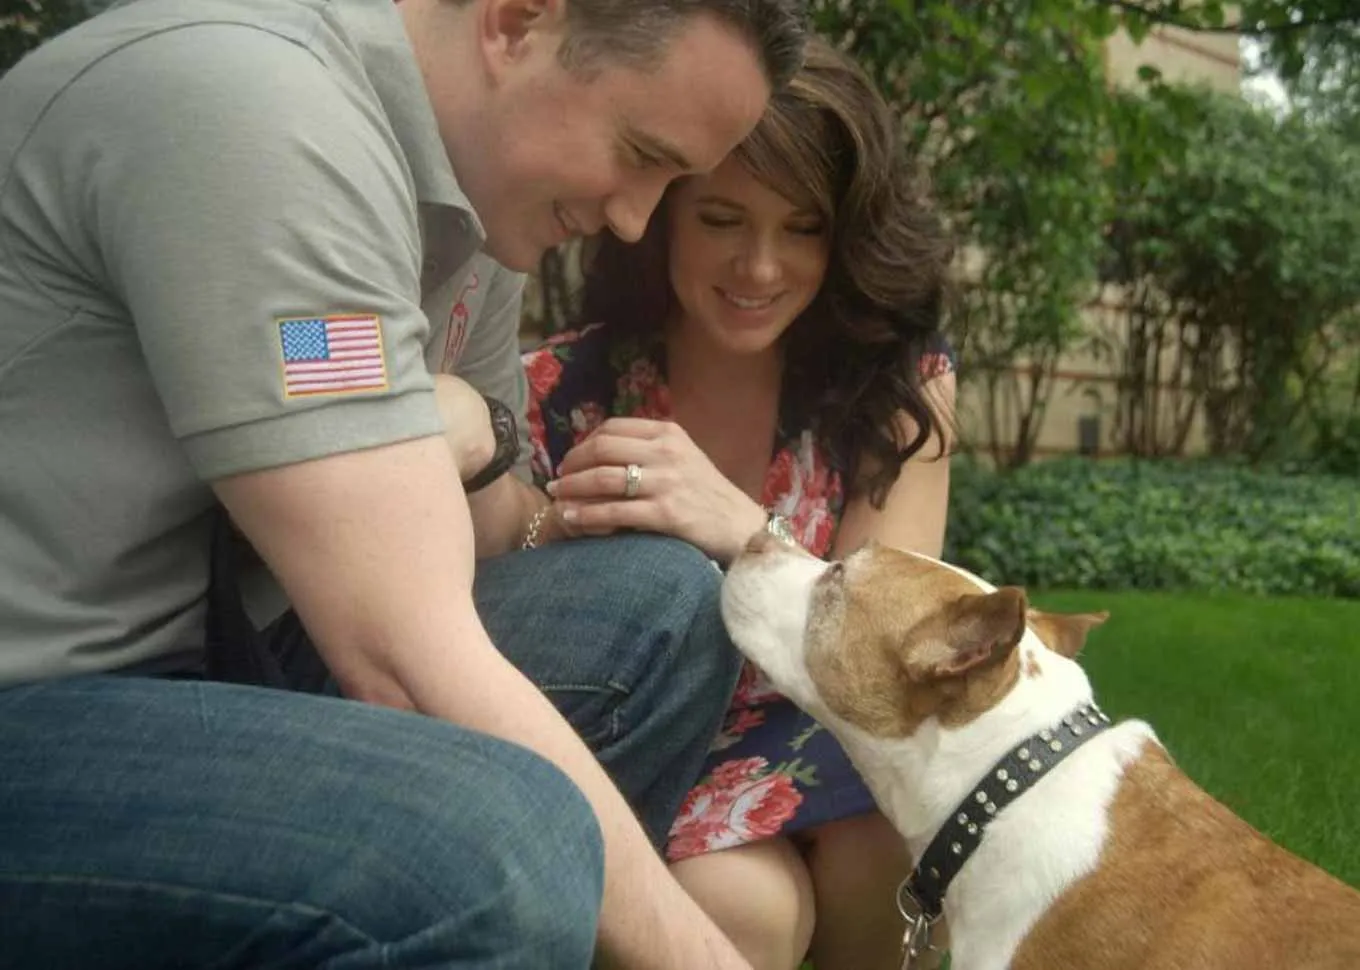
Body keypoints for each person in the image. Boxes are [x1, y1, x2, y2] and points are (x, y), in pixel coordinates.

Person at [0, 0, 808, 967]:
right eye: (640, 152)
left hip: (232, 653)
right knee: (491, 852)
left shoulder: (474, 212)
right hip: (47, 698)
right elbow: (401, 657)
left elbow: (492, 528)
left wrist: (483, 434)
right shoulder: (253, 114)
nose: (636, 221)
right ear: (517, 23)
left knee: (665, 603)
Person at [519, 38, 957, 970]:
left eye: (802, 228)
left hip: (836, 735)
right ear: (663, 208)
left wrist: (744, 530)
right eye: (722, 218)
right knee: (743, 910)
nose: (760, 267)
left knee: (886, 847)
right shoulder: (558, 386)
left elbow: (889, 647)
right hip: (655, 741)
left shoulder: (899, 388)